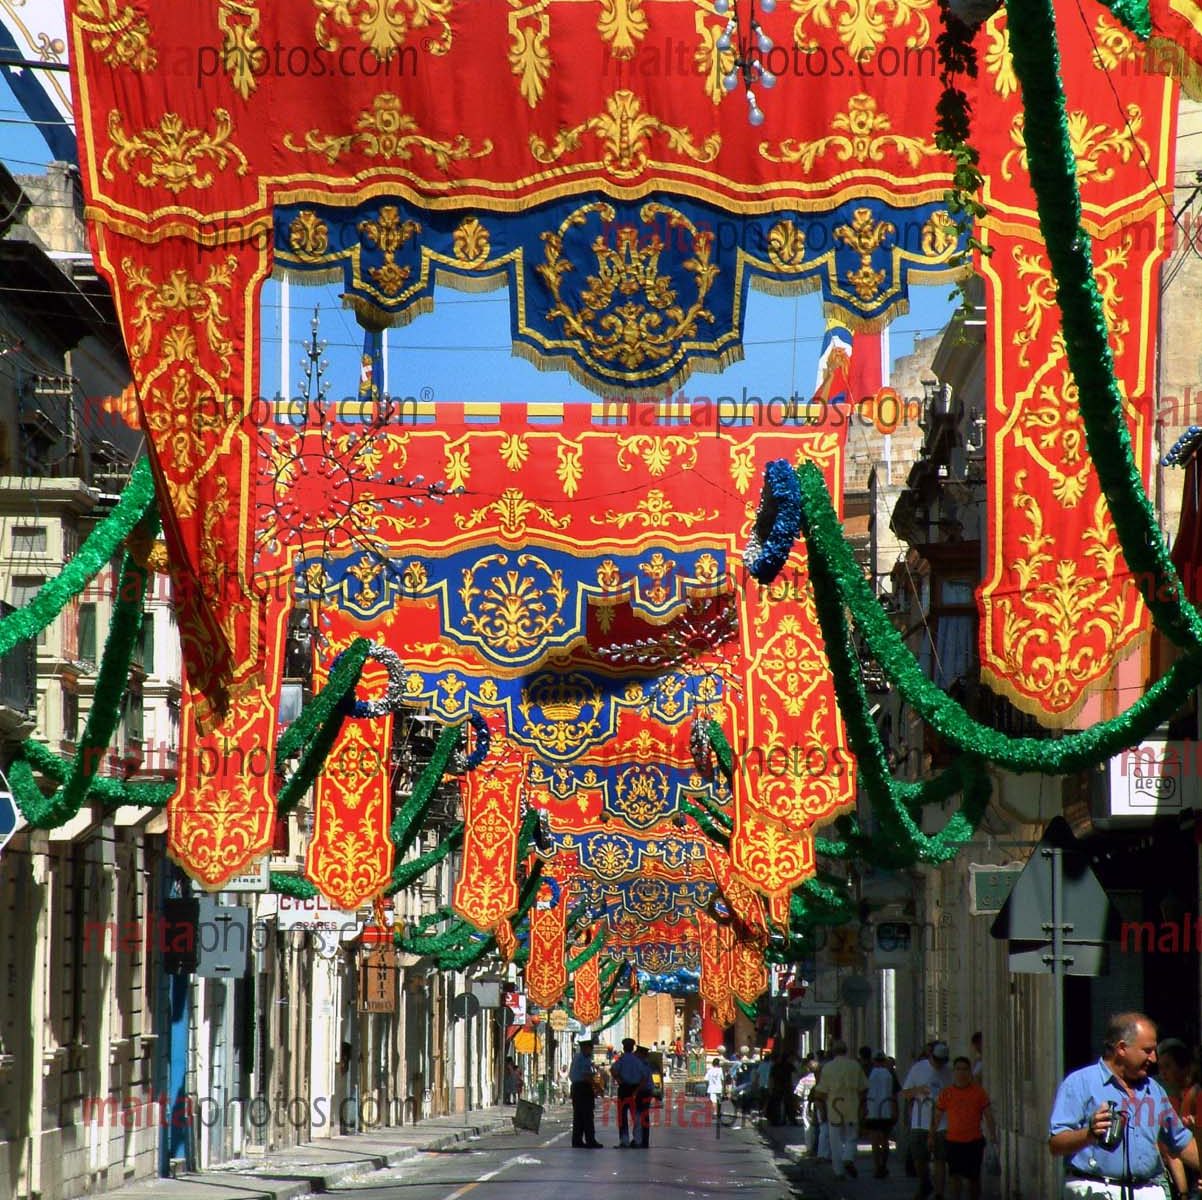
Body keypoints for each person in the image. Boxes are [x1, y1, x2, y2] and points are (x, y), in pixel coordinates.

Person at [1050, 1012, 1199, 1200]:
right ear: (1121, 1048)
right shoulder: (1080, 1083)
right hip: (1095, 1189)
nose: (1154, 1058)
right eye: (1147, 1050)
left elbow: (1181, 1141)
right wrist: (1089, 1134)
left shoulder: (1154, 1090)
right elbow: (1056, 1144)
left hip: (1147, 1190)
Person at [936, 1056, 997, 1200]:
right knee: (954, 1176)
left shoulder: (979, 1093)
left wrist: (993, 1135)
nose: (961, 1073)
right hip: (953, 1141)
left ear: (969, 1072)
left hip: (974, 1141)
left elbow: (988, 1115)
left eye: (965, 1069)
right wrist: (931, 1135)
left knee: (973, 1178)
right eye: (958, 1069)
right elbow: (937, 1116)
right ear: (954, 1072)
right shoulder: (947, 1093)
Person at [902, 1040, 952, 1200]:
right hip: (920, 1121)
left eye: (942, 1062)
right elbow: (905, 1093)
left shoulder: (949, 1072)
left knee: (940, 1158)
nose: (939, 1065)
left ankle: (939, 1193)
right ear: (931, 1056)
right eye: (936, 1060)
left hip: (942, 1122)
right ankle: (925, 1183)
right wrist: (918, 1090)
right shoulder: (918, 1068)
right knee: (918, 1157)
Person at [812, 1039, 867, 1180]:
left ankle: (839, 1171)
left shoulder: (828, 1068)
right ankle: (848, 1157)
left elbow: (821, 1091)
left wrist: (821, 1109)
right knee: (851, 1137)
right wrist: (862, 1106)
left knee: (835, 1141)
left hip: (834, 1108)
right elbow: (863, 1088)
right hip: (852, 1106)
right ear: (846, 1051)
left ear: (833, 1052)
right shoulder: (855, 1066)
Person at [866, 1050, 899, 1178]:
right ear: (884, 1061)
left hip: (872, 1110)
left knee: (874, 1141)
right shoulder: (890, 1074)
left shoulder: (869, 1073)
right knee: (885, 1140)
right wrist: (895, 1110)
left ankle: (877, 1167)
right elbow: (895, 1094)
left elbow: (863, 1092)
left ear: (874, 1061)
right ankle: (884, 1165)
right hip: (886, 1110)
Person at [569, 1038, 604, 1149]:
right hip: (583, 1088)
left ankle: (577, 1140)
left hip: (576, 1088)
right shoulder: (584, 1059)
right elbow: (586, 1076)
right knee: (587, 1115)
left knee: (578, 1116)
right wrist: (598, 1088)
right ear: (586, 1048)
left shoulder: (576, 1057)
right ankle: (590, 1140)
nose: (591, 1051)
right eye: (590, 1049)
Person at [611, 1037, 644, 1148]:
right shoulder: (637, 1061)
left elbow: (613, 1070)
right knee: (636, 1115)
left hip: (624, 1088)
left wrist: (619, 1080)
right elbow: (644, 1076)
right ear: (632, 1048)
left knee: (622, 1116)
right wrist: (638, 1089)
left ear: (624, 1048)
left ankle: (624, 1140)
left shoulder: (622, 1060)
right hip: (635, 1089)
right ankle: (637, 1140)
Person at [633, 1046, 654, 1147]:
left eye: (637, 1053)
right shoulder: (645, 1063)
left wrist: (635, 1092)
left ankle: (640, 1140)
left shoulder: (642, 1064)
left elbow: (643, 1080)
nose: (635, 1054)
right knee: (643, 1116)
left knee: (640, 1116)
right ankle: (643, 1140)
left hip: (643, 1092)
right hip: (646, 1091)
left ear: (641, 1054)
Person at [706, 1056, 726, 1121]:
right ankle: (719, 1112)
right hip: (719, 1087)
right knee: (719, 1101)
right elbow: (722, 1079)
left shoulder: (710, 1070)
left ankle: (715, 1112)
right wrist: (724, 1088)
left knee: (713, 1101)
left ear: (713, 1063)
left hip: (711, 1088)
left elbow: (706, 1079)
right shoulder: (720, 1070)